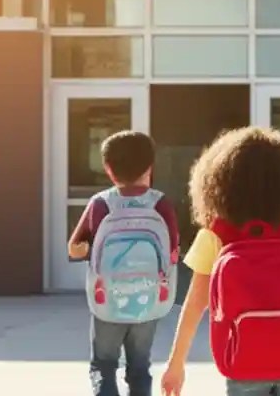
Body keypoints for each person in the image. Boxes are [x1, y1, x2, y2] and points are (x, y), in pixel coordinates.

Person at [161, 126, 280, 396]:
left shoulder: (216, 235)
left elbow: (194, 306)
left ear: (218, 183)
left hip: (244, 360)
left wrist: (176, 364)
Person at [68, 130, 180, 396]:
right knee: (139, 366)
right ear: (150, 166)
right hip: (148, 297)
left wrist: (91, 250)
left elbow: (74, 248)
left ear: (108, 168)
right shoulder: (160, 203)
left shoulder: (101, 203)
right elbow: (173, 252)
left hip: (107, 298)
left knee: (103, 365)